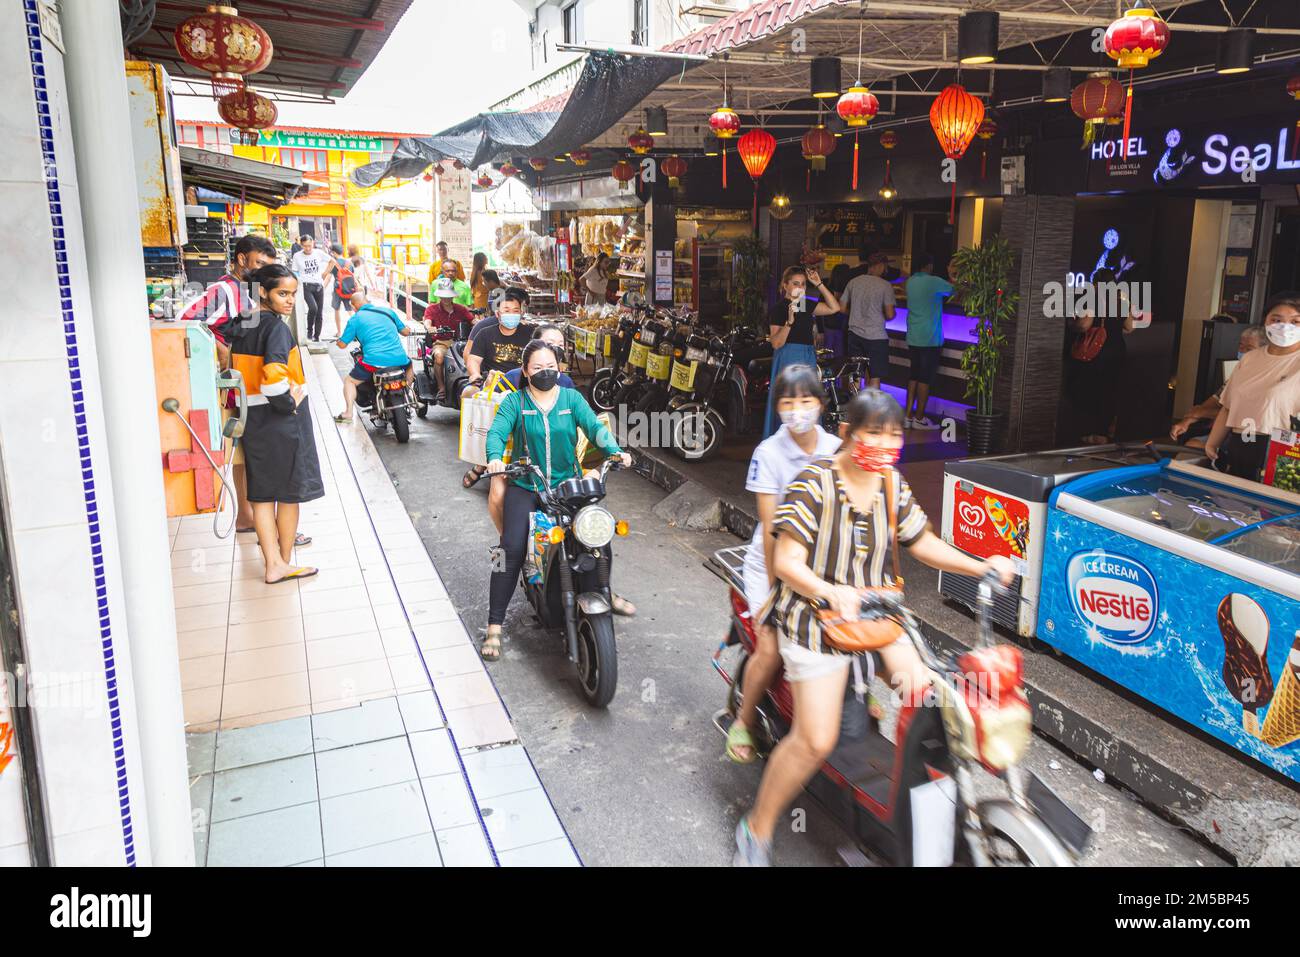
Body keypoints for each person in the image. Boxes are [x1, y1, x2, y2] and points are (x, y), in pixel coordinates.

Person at [733, 390, 1014, 866]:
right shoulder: (814, 484)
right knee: (815, 740)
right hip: (814, 622)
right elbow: (786, 561)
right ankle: (756, 829)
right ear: (847, 434)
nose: (884, 444)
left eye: (894, 434)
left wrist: (979, 565)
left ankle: (921, 820)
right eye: (873, 433)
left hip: (879, 618)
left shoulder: (890, 483)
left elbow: (921, 541)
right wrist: (828, 590)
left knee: (934, 703)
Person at [482, 339, 633, 660]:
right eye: (537, 368)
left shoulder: (571, 398)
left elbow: (594, 428)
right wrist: (495, 458)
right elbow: (496, 433)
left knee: (597, 537)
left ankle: (605, 589)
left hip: (568, 486)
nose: (545, 372)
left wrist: (615, 451)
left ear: (560, 368)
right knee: (508, 549)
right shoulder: (515, 402)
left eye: (551, 367)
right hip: (527, 486)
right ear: (525, 371)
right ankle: (494, 624)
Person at [726, 365, 843, 765]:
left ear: (820, 404)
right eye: (788, 402)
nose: (798, 410)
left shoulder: (836, 449)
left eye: (806, 401)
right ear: (777, 407)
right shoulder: (768, 453)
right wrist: (779, 594)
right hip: (771, 566)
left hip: (823, 566)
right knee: (773, 647)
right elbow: (773, 530)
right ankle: (743, 720)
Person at [229, 264, 324, 584]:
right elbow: (273, 382)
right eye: (283, 293)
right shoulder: (276, 329)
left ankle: (272, 562)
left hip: (252, 420)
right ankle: (281, 562)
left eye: (293, 294)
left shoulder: (243, 323)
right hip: (280, 422)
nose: (290, 300)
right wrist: (289, 403)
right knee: (289, 494)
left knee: (261, 494)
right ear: (262, 292)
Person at [177, 234, 277, 534]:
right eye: (257, 263)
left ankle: (248, 517)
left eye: (266, 266)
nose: (260, 270)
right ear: (241, 258)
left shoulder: (250, 290)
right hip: (235, 384)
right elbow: (187, 320)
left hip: (247, 383)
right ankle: (257, 520)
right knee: (253, 454)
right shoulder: (225, 289)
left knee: (244, 454)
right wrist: (220, 351)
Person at [1206, 293, 1300, 480]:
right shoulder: (1250, 358)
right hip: (1241, 441)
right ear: (1265, 321)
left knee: (1270, 508)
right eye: (1276, 319)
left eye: (1295, 321)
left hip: (1283, 450)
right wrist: (1212, 442)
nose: (1285, 327)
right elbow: (1228, 405)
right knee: (1236, 504)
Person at [462, 288, 531, 491]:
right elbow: (473, 360)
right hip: (495, 385)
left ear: (521, 313)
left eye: (515, 310)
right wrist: (475, 376)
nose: (511, 314)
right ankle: (479, 456)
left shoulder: (530, 333)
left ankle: (480, 466)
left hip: (524, 385)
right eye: (506, 310)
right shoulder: (485, 333)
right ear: (498, 314)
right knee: (468, 395)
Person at [764, 265, 841, 439]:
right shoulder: (778, 309)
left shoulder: (806, 304)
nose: (800, 288)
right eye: (796, 283)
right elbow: (776, 343)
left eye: (804, 284)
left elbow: (834, 308)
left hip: (808, 357)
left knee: (808, 400)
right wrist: (789, 322)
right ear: (785, 285)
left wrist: (819, 284)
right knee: (790, 401)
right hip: (787, 357)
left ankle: (808, 442)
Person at [1065, 268, 1136, 445]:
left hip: (1097, 353)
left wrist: (1072, 324)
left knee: (1090, 391)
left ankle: (1088, 434)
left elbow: (1084, 324)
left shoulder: (1093, 297)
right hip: (1117, 351)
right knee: (1109, 392)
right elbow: (1130, 327)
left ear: (1096, 283)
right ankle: (1104, 433)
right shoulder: (1120, 299)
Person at [1171, 325, 1267, 448]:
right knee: (1192, 445)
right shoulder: (1236, 375)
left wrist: (1202, 413)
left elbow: (1239, 414)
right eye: (1240, 346)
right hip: (1220, 432)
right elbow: (1212, 402)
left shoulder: (1264, 380)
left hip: (1246, 436)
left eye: (1249, 349)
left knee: (1195, 447)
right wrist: (1185, 422)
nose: (1242, 352)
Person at [332, 291, 419, 423]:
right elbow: (406, 332)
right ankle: (405, 391)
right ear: (367, 301)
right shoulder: (388, 312)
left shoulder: (355, 319)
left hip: (373, 362)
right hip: (399, 359)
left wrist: (339, 341)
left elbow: (343, 344)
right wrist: (405, 327)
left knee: (349, 381)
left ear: (354, 307)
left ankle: (348, 412)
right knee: (409, 365)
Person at [902, 253, 955, 431]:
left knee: (914, 375)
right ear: (929, 265)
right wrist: (953, 275)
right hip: (930, 338)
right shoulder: (934, 281)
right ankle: (919, 418)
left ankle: (908, 416)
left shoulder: (910, 282)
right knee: (925, 378)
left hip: (913, 336)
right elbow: (955, 290)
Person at [840, 252, 896, 388]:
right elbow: (890, 315)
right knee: (875, 376)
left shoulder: (853, 282)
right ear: (881, 266)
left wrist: (854, 313)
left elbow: (841, 308)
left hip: (854, 334)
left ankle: (854, 407)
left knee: (856, 374)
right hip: (876, 337)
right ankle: (871, 408)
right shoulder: (885, 285)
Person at [423, 277, 475, 399]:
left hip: (460, 342)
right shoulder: (432, 309)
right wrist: (430, 328)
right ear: (439, 296)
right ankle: (441, 387)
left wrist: (481, 324)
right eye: (444, 296)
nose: (446, 298)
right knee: (439, 357)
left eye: (449, 296)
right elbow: (427, 321)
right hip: (441, 342)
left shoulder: (461, 309)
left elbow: (472, 320)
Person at [291, 235, 332, 342]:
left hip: (319, 286)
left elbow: (332, 261)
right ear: (301, 245)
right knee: (313, 308)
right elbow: (294, 271)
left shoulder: (318, 253)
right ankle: (309, 331)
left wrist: (325, 273)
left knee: (319, 312)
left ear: (313, 243)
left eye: (309, 246)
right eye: (305, 246)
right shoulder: (297, 256)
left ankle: (317, 336)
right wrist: (298, 280)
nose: (308, 248)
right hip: (306, 286)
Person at [327, 242, 357, 340]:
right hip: (349, 290)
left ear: (334, 252)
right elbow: (353, 276)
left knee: (337, 310)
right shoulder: (349, 263)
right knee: (350, 311)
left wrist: (322, 288)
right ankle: (356, 331)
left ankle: (339, 332)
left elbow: (328, 277)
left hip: (337, 290)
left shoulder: (334, 263)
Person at [821, 263, 852, 358]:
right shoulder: (848, 287)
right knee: (839, 354)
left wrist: (820, 331)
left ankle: (827, 372)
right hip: (842, 326)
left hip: (829, 324)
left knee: (828, 354)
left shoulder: (827, 287)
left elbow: (819, 308)